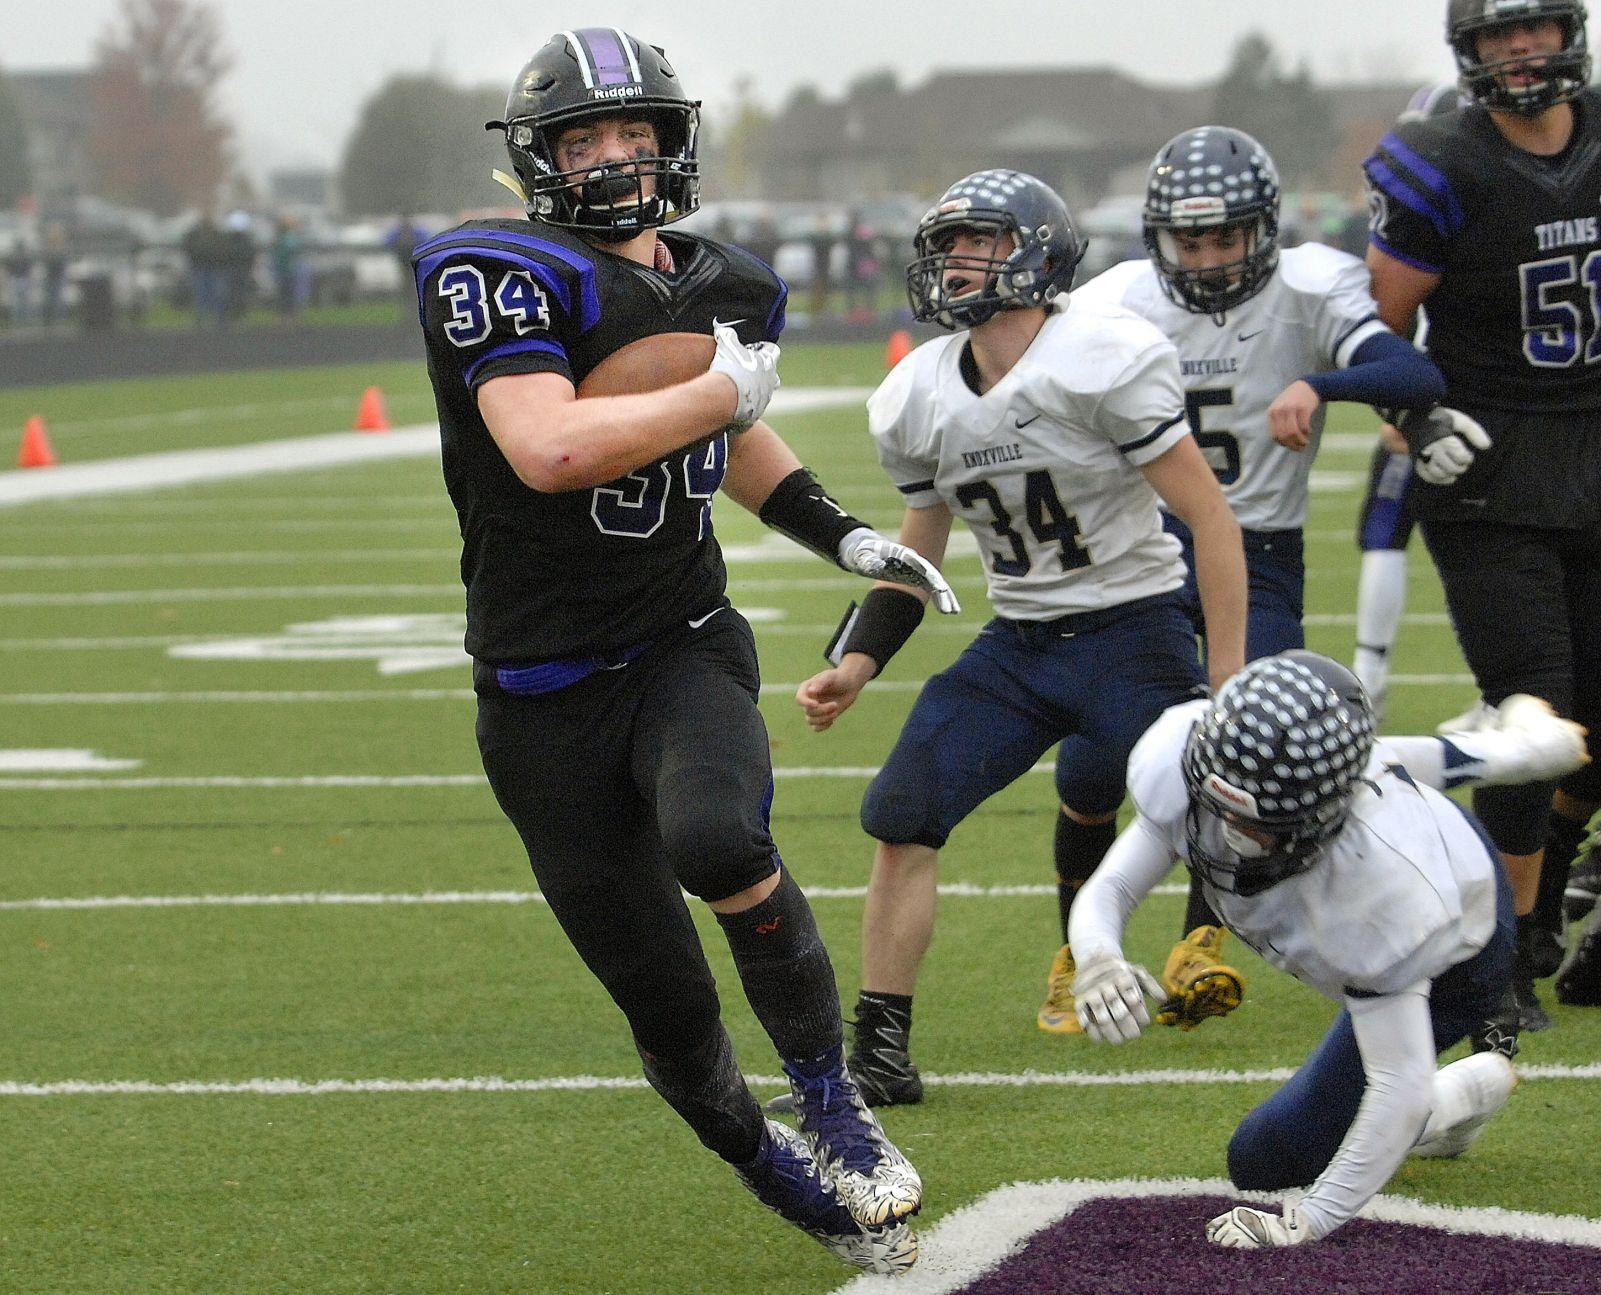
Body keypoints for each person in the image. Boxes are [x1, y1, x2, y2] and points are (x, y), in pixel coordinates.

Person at [410, 29, 961, 1276]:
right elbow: (550, 449)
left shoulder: (730, 282)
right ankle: (782, 1173)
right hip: (538, 692)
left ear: (673, 142)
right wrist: (724, 391)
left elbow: (732, 443)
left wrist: (845, 536)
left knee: (716, 838)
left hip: (680, 641)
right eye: (585, 138)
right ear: (539, 160)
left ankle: (832, 1098)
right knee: (665, 1008)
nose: (614, 157)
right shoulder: (489, 270)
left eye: (635, 133)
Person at [793, 168, 1248, 1106]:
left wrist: (1227, 677)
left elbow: (1211, 519)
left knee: (1240, 813)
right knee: (902, 808)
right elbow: (917, 550)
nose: (954, 261)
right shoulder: (917, 394)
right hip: (1021, 644)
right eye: (946, 244)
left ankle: (1413, 974)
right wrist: (856, 661)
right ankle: (878, 1051)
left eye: (980, 241)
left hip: (1133, 632)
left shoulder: (1103, 356)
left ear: (1037, 253)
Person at [1068, 126, 1445, 1027]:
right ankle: (1076, 944)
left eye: (1224, 238)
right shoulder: (1116, 298)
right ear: (1157, 238)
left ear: (1262, 231)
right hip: (1142, 554)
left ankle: (1203, 939)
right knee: (1089, 761)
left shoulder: (1310, 283)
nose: (1204, 260)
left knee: (1247, 752)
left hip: (1259, 549)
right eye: (1187, 241)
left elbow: (1411, 370)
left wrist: (1319, 384)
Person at [1067, 652, 1590, 1248]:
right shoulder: (1209, 768)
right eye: (1219, 807)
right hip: (1370, 801)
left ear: (1328, 809)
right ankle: (1530, 738)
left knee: (1268, 1163)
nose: (1233, 836)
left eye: (1261, 826)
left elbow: (1400, 1082)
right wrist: (1098, 955)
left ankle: (1464, 1094)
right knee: (1496, 753)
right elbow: (1112, 886)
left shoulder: (1383, 889)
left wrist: (1310, 1217)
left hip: (1461, 944)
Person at [1364, 0, 1601, 1028]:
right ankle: (1498, 957)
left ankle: (1542, 911)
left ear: (1569, 35)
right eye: (1497, 35)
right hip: (1489, 458)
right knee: (1531, 713)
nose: (1518, 50)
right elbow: (1374, 324)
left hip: (1593, 439)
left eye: (1534, 29)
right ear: (1468, 53)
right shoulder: (1440, 161)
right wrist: (1414, 415)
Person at [1351, 86, 1466, 722]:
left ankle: (1371, 668)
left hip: (1442, 405)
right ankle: (1370, 668)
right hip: (1447, 405)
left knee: (1391, 535)